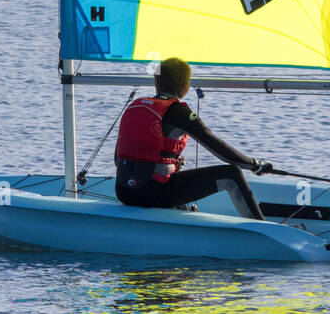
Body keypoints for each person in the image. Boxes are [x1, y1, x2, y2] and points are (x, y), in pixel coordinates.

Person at [114, 57, 272, 220]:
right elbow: (221, 151)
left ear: (156, 82)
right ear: (186, 87)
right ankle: (262, 229)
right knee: (232, 174)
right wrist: (255, 165)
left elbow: (117, 158)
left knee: (167, 173)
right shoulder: (179, 113)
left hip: (124, 192)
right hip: (155, 195)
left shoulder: (135, 106)